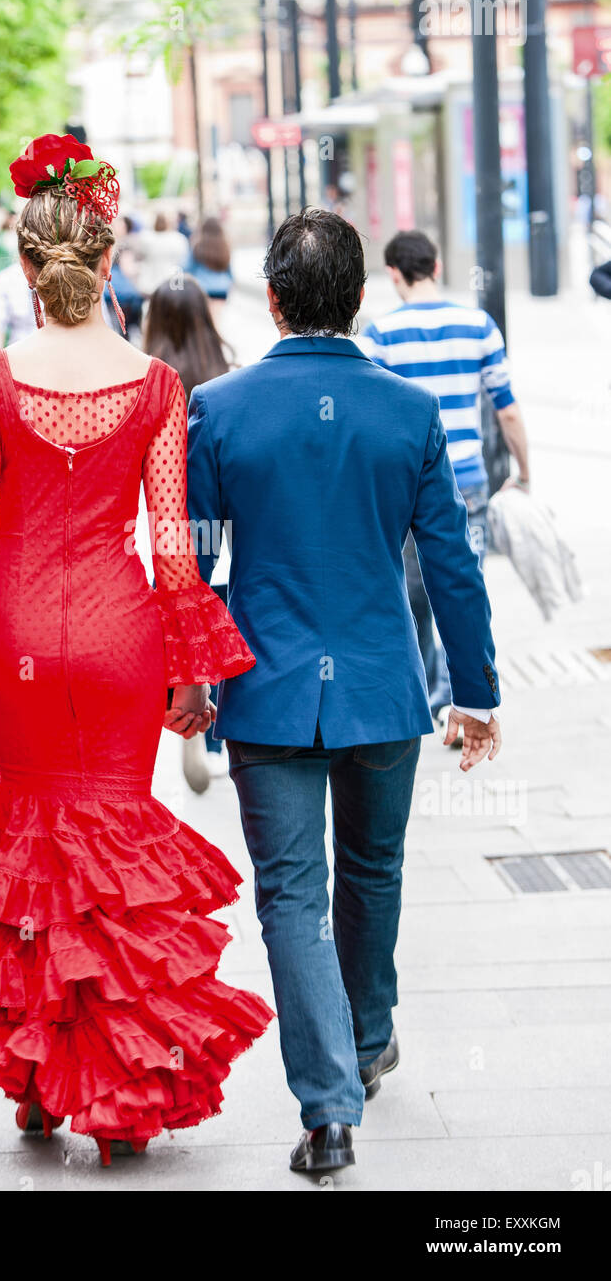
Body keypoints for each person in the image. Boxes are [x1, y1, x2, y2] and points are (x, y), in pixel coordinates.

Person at [0, 132, 273, 1165]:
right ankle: (118, 1089)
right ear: (106, 266)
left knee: (33, 843)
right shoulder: (152, 389)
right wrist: (193, 673)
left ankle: (40, 1090)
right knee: (111, 847)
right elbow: (175, 550)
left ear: (21, 262)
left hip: (12, 637)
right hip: (119, 636)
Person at [186, 207, 502, 1176]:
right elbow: (448, 561)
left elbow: (192, 561)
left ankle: (327, 1106)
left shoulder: (218, 409)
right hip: (380, 683)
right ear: (358, 299)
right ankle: (364, 1041)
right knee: (373, 870)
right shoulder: (408, 411)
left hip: (266, 684)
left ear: (272, 298)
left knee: (291, 895)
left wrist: (188, 674)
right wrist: (475, 693)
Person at [360, 230, 529, 726]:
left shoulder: (380, 334)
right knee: (463, 580)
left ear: (394, 274)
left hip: (410, 483)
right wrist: (524, 471)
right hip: (468, 477)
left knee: (415, 591)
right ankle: (466, 691)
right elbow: (508, 411)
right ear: (435, 266)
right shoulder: (479, 326)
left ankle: (434, 689)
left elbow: (374, 419)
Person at [143, 274, 235, 793]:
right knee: (213, 616)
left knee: (173, 628)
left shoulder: (142, 379)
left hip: (157, 535)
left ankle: (181, 712)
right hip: (214, 533)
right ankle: (213, 730)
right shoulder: (224, 380)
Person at [186, 217, 234, 327]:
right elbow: (230, 271)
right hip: (222, 289)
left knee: (204, 323)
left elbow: (188, 268)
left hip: (203, 289)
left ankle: (206, 342)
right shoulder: (225, 246)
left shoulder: (197, 246)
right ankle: (216, 342)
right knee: (216, 321)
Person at [135, 212, 190, 298]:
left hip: (148, 284)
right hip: (171, 283)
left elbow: (138, 256)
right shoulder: (179, 239)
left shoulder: (145, 238)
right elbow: (183, 261)